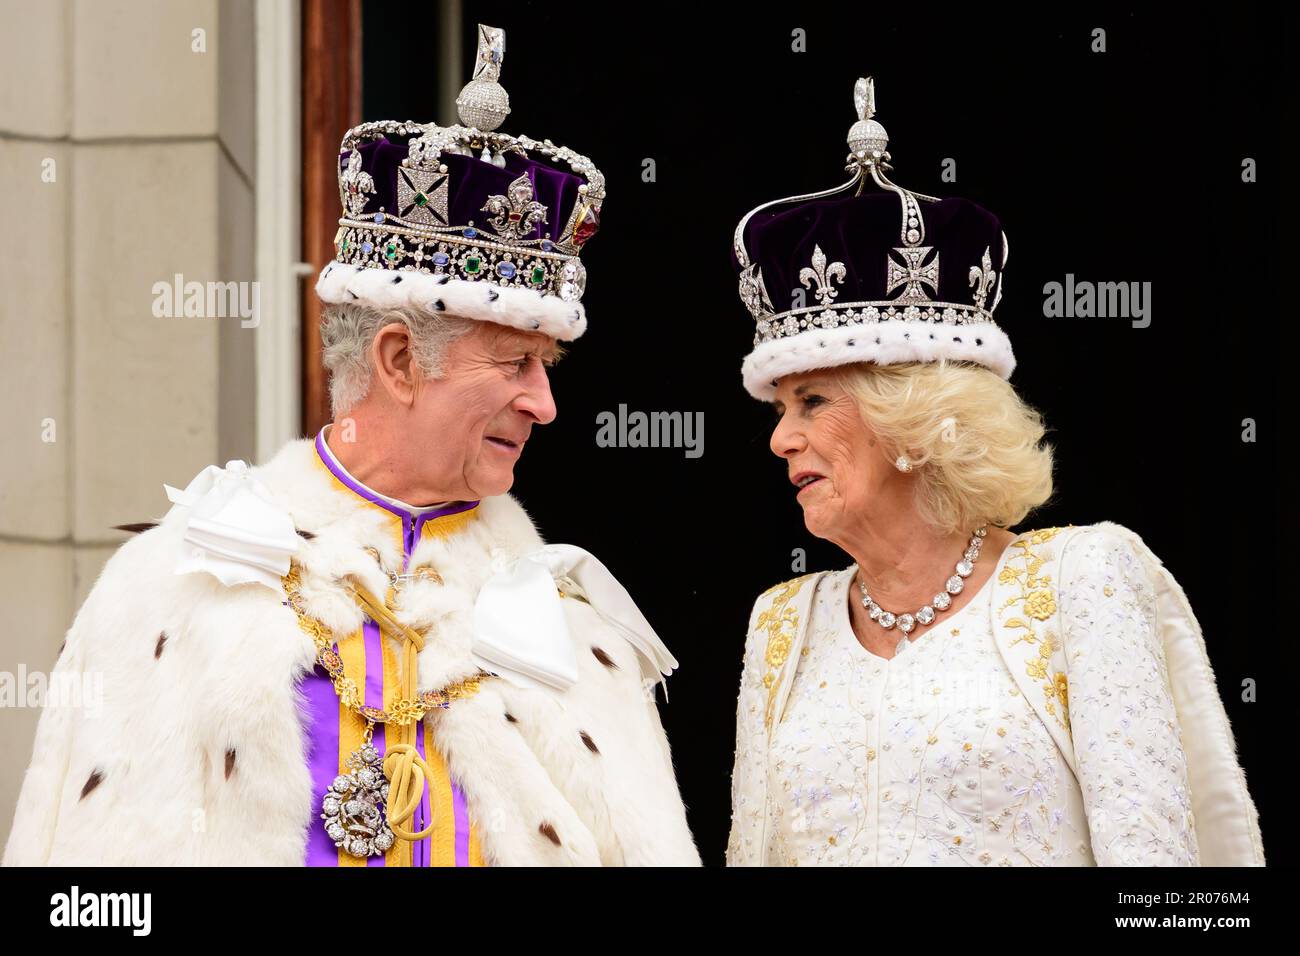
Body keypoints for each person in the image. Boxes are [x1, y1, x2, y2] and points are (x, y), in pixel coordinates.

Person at [3, 24, 700, 867]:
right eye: (515, 362)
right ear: (400, 361)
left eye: (545, 365)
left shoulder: (577, 637)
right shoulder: (172, 588)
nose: (545, 403)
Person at [724, 77, 1263, 867]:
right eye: (779, 411)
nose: (782, 440)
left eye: (811, 402)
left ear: (911, 417)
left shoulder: (1085, 579)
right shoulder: (780, 624)